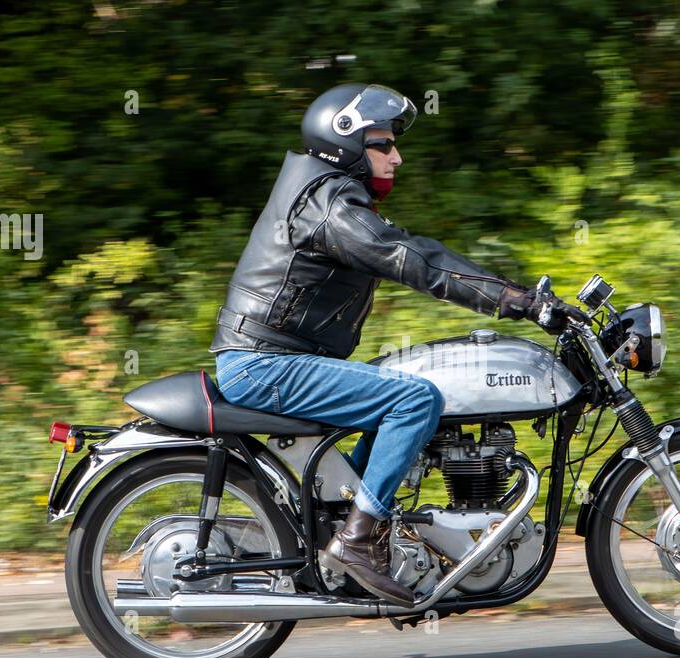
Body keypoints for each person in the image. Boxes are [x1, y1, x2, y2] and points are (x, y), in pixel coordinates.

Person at [209, 83, 578, 607]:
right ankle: (357, 542)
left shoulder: (325, 192)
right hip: (266, 364)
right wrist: (516, 300)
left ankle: (356, 525)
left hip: (276, 358)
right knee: (415, 399)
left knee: (398, 388)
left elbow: (404, 251)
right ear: (345, 143)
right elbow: (406, 257)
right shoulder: (328, 202)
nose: (396, 156)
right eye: (382, 144)